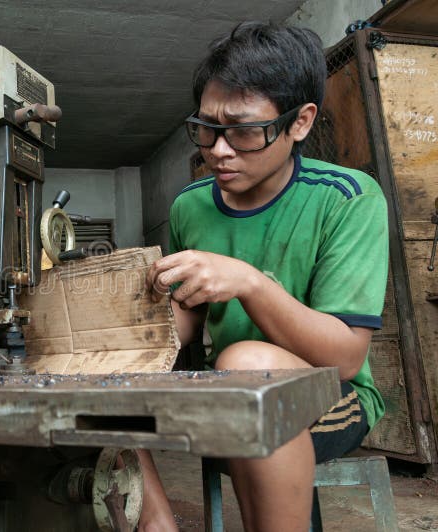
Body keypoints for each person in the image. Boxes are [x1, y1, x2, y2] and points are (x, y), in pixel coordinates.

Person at [140, 21, 388, 532]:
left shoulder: (345, 198)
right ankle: (156, 522)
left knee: (247, 365)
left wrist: (249, 282)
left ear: (299, 123)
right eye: (206, 127)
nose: (218, 150)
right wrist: (139, 331)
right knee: (103, 379)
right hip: (230, 392)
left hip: (330, 396)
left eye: (245, 130)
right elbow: (185, 319)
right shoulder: (191, 207)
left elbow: (343, 358)